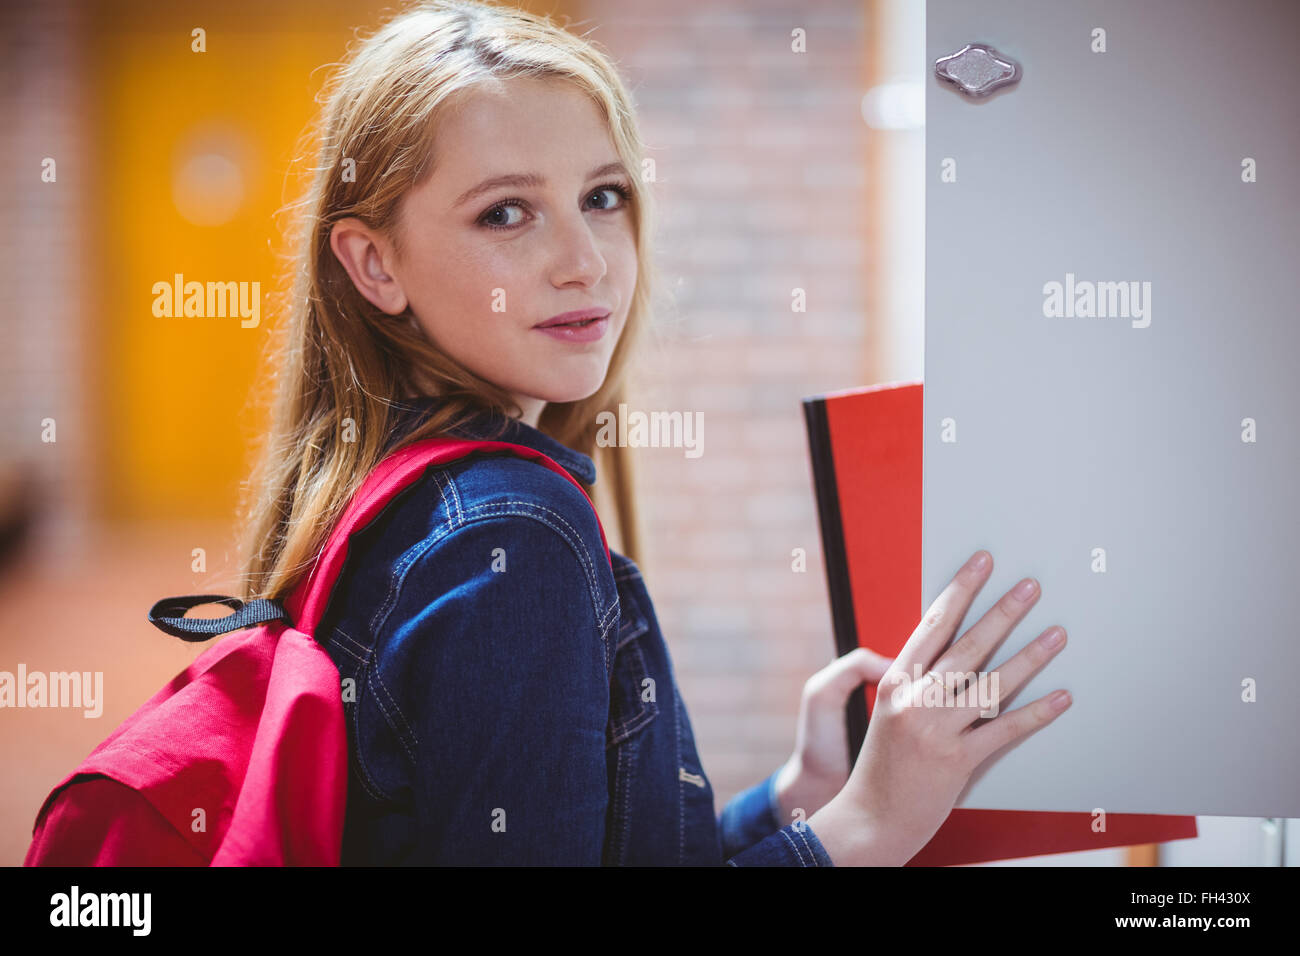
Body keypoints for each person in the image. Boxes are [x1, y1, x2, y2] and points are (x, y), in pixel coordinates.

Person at [235, 0, 1072, 865]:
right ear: (375, 264)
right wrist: (866, 826)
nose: (586, 260)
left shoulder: (397, 491)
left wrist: (795, 797)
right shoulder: (511, 534)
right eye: (505, 213)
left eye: (603, 197)